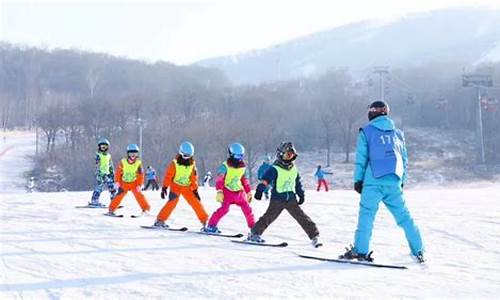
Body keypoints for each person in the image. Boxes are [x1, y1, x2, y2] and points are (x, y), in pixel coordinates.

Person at [340, 100, 425, 263]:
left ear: (372, 112)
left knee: (366, 216)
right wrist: (402, 181)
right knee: (404, 217)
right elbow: (404, 160)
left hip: (373, 181)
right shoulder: (398, 134)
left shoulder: (366, 131)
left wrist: (358, 180)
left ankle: (361, 251)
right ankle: (418, 250)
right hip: (394, 181)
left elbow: (361, 159)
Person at [250, 142, 322, 248]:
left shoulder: (293, 169)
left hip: (291, 199)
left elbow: (297, 183)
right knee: (269, 217)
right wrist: (260, 190)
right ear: (280, 155)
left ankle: (314, 236)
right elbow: (266, 180)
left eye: (291, 155)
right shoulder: (275, 168)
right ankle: (255, 234)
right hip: (277, 199)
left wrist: (301, 194)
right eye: (287, 155)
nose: (289, 157)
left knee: (302, 217)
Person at [152, 141, 208, 228]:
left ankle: (206, 222)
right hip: (176, 186)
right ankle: (160, 220)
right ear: (181, 153)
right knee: (172, 202)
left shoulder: (192, 164)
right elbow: (168, 176)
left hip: (187, 187)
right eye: (185, 156)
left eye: (189, 156)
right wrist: (165, 187)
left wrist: (195, 190)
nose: (187, 158)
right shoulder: (174, 163)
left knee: (196, 203)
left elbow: (193, 177)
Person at [204, 143, 255, 233]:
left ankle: (254, 229)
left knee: (247, 209)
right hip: (227, 192)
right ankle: (211, 225)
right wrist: (219, 191)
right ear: (231, 155)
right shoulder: (225, 166)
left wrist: (248, 192)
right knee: (224, 209)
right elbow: (220, 179)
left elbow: (244, 180)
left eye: (241, 156)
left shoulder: (243, 167)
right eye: (237, 156)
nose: (239, 159)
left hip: (239, 193)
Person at [107, 144, 151, 215]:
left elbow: (141, 175)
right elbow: (118, 172)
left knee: (139, 195)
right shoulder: (123, 162)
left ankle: (145, 209)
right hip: (124, 183)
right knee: (119, 196)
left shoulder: (138, 163)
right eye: (131, 153)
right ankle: (111, 209)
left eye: (135, 153)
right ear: (128, 154)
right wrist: (117, 182)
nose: (133, 156)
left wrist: (139, 185)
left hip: (134, 183)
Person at [89, 138, 116, 207]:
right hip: (100, 174)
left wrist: (112, 173)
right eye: (102, 146)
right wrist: (99, 172)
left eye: (105, 146)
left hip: (107, 174)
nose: (103, 147)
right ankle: (94, 200)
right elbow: (97, 164)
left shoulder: (108, 155)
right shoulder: (98, 155)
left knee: (112, 187)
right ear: (99, 147)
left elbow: (110, 165)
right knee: (99, 187)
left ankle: (115, 201)